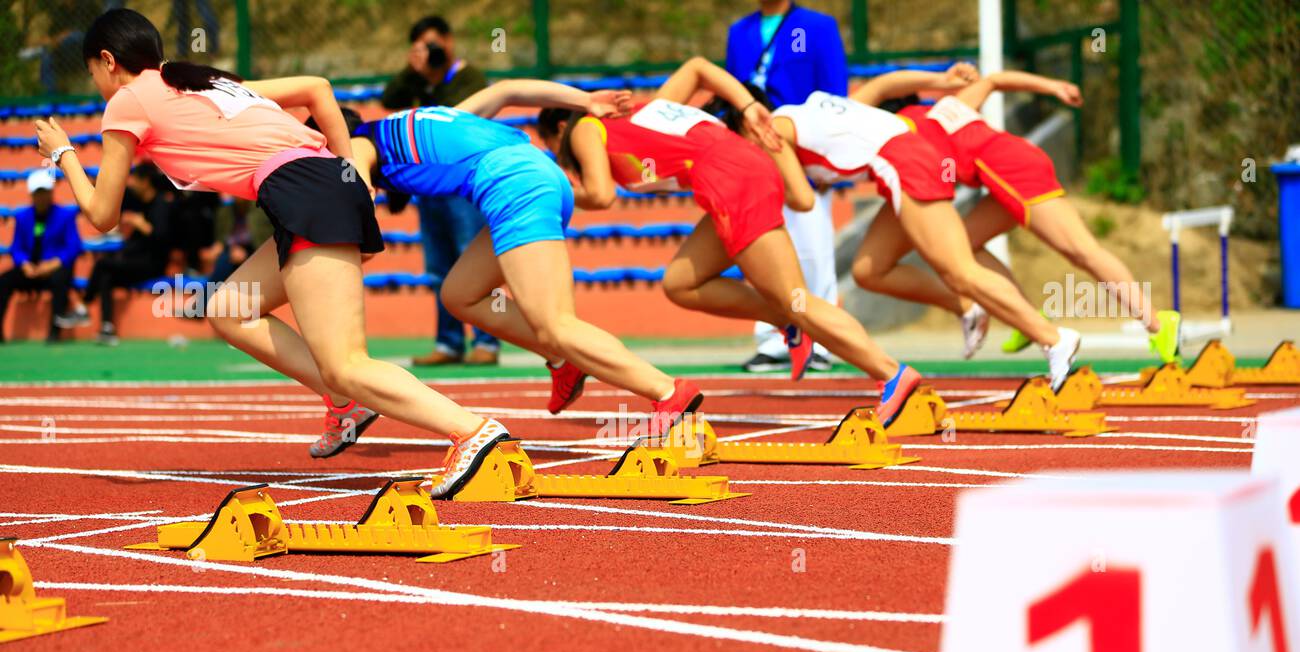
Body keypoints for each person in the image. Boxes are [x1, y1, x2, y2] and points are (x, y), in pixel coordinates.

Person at [37, 7, 508, 495]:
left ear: (108, 61)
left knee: (346, 362)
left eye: (93, 70)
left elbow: (103, 215)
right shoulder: (202, 82)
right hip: (317, 187)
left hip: (303, 192)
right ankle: (345, 402)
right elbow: (318, 90)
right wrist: (354, 173)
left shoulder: (128, 101)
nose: (95, 82)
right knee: (229, 309)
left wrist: (63, 154)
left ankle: (472, 431)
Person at [536, 57, 922, 426]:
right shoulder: (649, 112)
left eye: (556, 152)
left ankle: (890, 374)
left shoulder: (586, 128)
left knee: (795, 298)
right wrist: (748, 104)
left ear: (559, 131)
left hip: (733, 182)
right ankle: (786, 324)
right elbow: (698, 67)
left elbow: (601, 197)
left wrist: (559, 187)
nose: (565, 161)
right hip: (736, 175)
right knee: (682, 284)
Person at [335, 84, 704, 437]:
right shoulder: (423, 121)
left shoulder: (354, 144)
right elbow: (507, 90)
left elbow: (360, 187)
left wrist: (360, 241)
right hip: (541, 177)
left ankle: (666, 391)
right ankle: (562, 359)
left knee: (555, 323)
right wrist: (586, 101)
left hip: (513, 185)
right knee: (461, 294)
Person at [708, 67, 1083, 390]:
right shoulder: (808, 111)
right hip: (909, 158)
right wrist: (940, 78)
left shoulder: (772, 133)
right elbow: (885, 85)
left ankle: (1052, 338)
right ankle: (966, 308)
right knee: (871, 269)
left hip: (906, 163)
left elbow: (804, 200)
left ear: (745, 124)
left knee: (960, 269)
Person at [896, 69, 1180, 362]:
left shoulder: (904, 128)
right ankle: (1028, 317)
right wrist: (1053, 85)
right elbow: (994, 80)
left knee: (1082, 252)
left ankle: (1158, 323)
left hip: (1014, 174)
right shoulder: (947, 107)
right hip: (1011, 166)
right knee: (963, 247)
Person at [726, 0, 842, 373]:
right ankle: (774, 338)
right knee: (762, 247)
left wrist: (825, 159)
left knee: (813, 246)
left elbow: (833, 94)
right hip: (752, 153)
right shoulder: (739, 31)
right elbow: (732, 95)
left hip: (800, 150)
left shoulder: (815, 27)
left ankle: (824, 340)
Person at [382, 14, 499, 368]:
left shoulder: (469, 77)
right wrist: (413, 71)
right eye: (423, 47)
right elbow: (390, 98)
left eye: (435, 45)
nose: (432, 53)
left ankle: (487, 342)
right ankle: (448, 343)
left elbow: (454, 119)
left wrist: (434, 78)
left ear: (449, 42)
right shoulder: (418, 80)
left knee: (473, 261)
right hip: (430, 186)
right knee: (439, 268)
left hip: (463, 185)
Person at [78, 162, 174, 344]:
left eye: (136, 179)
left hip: (153, 264)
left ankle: (84, 305)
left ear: (146, 182)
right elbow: (116, 192)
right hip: (137, 261)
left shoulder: (162, 204)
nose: (132, 183)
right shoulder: (140, 201)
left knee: (102, 264)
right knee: (106, 277)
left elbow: (164, 239)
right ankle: (107, 328)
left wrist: (141, 225)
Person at [0, 170, 84, 344]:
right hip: (30, 270)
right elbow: (17, 248)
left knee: (62, 277)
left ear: (51, 192)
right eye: (38, 193)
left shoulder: (65, 216)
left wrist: (53, 264)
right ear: (32, 194)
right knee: (4, 281)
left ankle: (55, 332)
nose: (42, 197)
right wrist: (24, 265)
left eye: (45, 192)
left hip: (54, 270)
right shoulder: (22, 217)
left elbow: (73, 246)